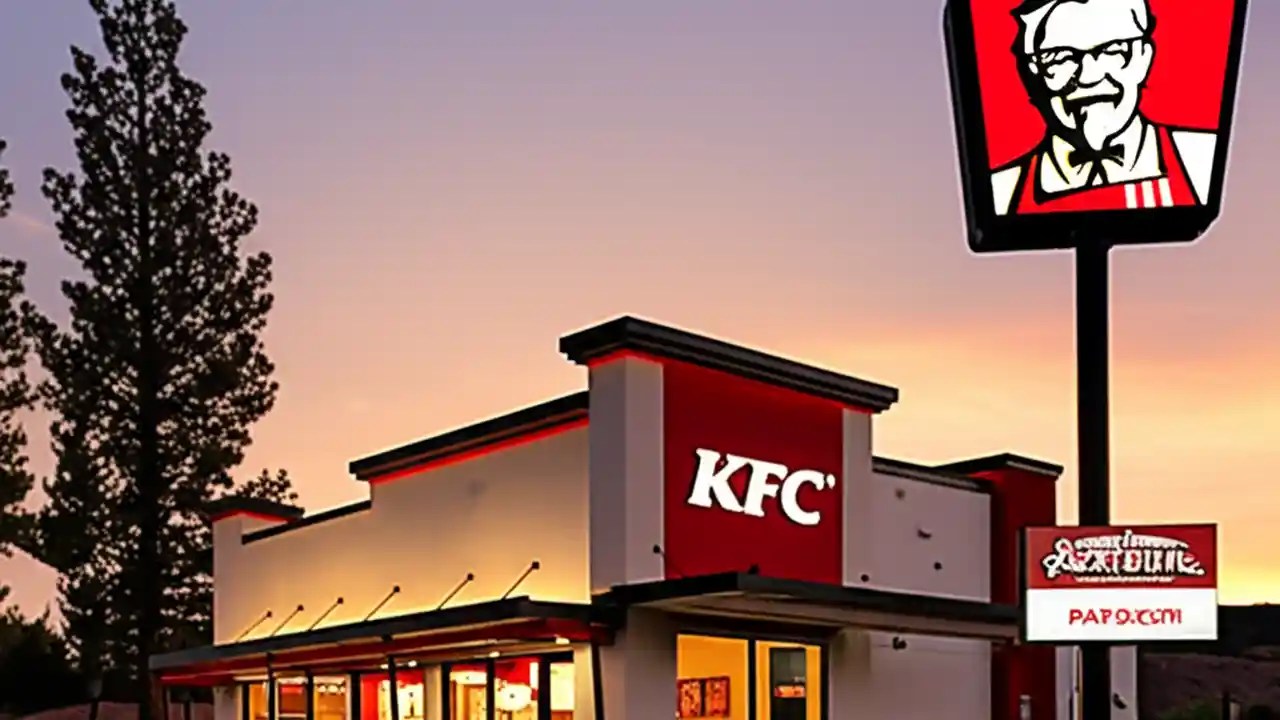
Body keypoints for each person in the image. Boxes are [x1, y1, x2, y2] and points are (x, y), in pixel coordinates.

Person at [991, 0, 1218, 215]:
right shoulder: (1002, 191)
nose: (1089, 76)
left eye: (1113, 51)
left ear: (1143, 58)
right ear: (1033, 72)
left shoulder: (1199, 160)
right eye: (1060, 58)